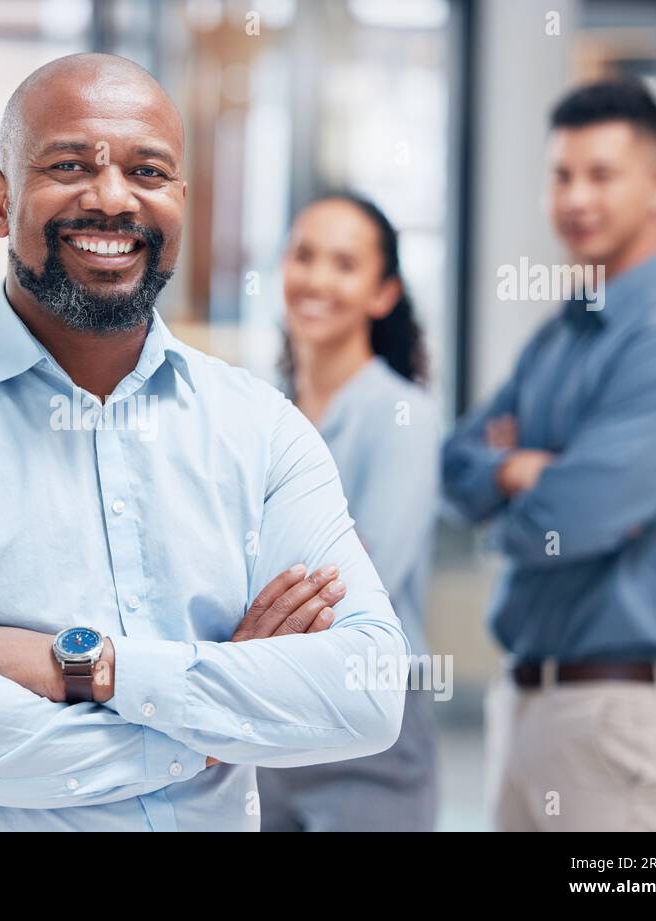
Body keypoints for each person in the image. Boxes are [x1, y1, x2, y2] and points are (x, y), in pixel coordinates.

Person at [0, 52, 407, 832]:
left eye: (148, 171)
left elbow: (367, 690)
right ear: (0, 201)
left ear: (181, 203)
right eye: (68, 164)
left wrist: (94, 665)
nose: (111, 197)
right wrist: (211, 726)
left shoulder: (258, 428)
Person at [442, 78, 656, 831]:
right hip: (529, 696)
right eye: (562, 174)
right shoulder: (563, 330)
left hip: (620, 714)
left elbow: (570, 515)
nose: (577, 197)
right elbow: (457, 461)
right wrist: (516, 469)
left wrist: (518, 502)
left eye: (602, 174)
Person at [257, 193, 440, 832]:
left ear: (382, 292)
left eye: (344, 263)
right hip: (265, 712)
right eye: (304, 256)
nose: (317, 279)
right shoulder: (261, 414)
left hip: (369, 720)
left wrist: (250, 593)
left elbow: (361, 582)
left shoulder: (401, 414)